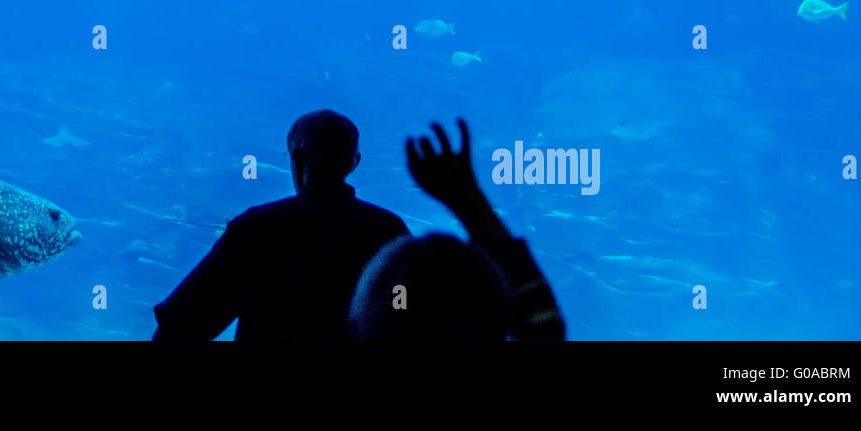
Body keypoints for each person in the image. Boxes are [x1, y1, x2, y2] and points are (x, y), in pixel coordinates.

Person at [152, 109, 409, 340]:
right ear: (354, 161)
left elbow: (180, 325)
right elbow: (422, 320)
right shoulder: (389, 231)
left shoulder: (256, 228)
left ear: (296, 157)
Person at [348, 118, 565, 341]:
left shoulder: (390, 310)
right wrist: (469, 201)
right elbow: (545, 326)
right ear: (498, 318)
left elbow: (395, 308)